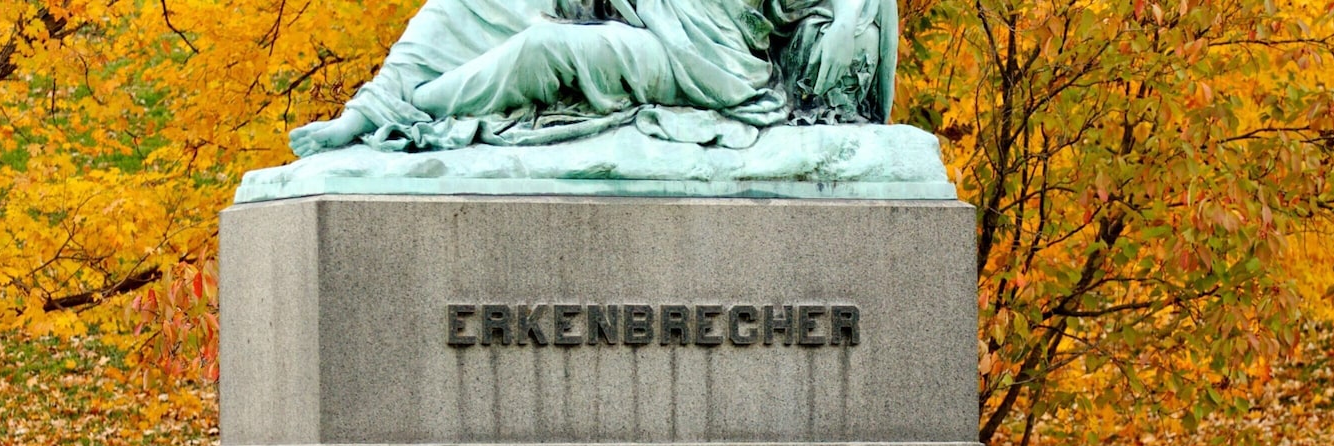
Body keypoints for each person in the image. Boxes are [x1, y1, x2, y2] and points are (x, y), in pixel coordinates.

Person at [288, 0, 893, 156]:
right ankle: (371, 109)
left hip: (707, 67)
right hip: (638, 22)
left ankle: (407, 112)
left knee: (545, 48)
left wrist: (849, 16)